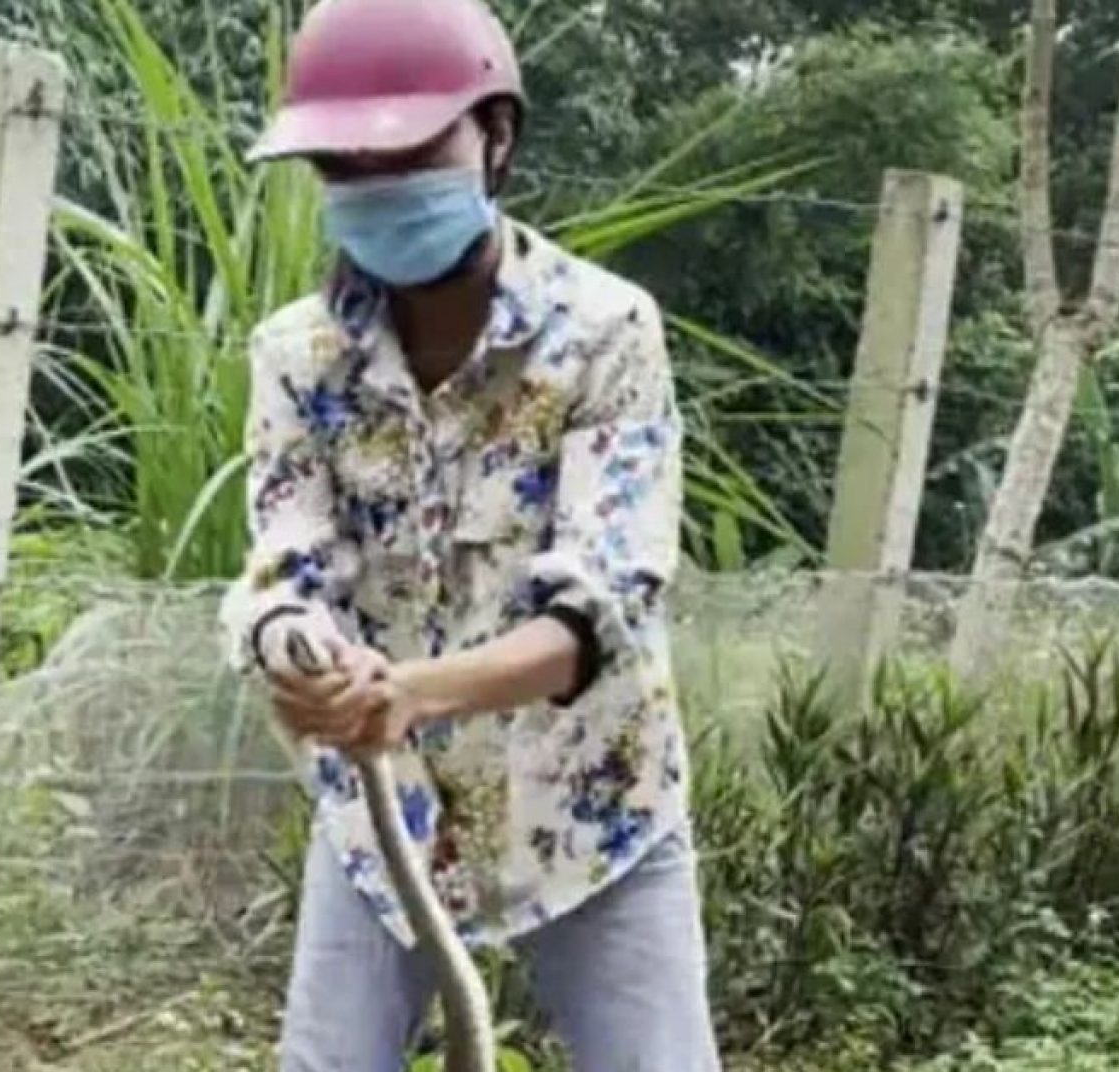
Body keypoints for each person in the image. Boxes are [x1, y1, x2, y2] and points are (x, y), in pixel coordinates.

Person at [216, 0, 723, 1068]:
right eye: (343, 160)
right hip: (380, 819)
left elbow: (602, 607)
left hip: (591, 807)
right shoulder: (297, 357)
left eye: (408, 146)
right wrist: (294, 657)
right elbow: (283, 563)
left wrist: (410, 693)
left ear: (494, 136)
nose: (376, 178)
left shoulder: (603, 333)